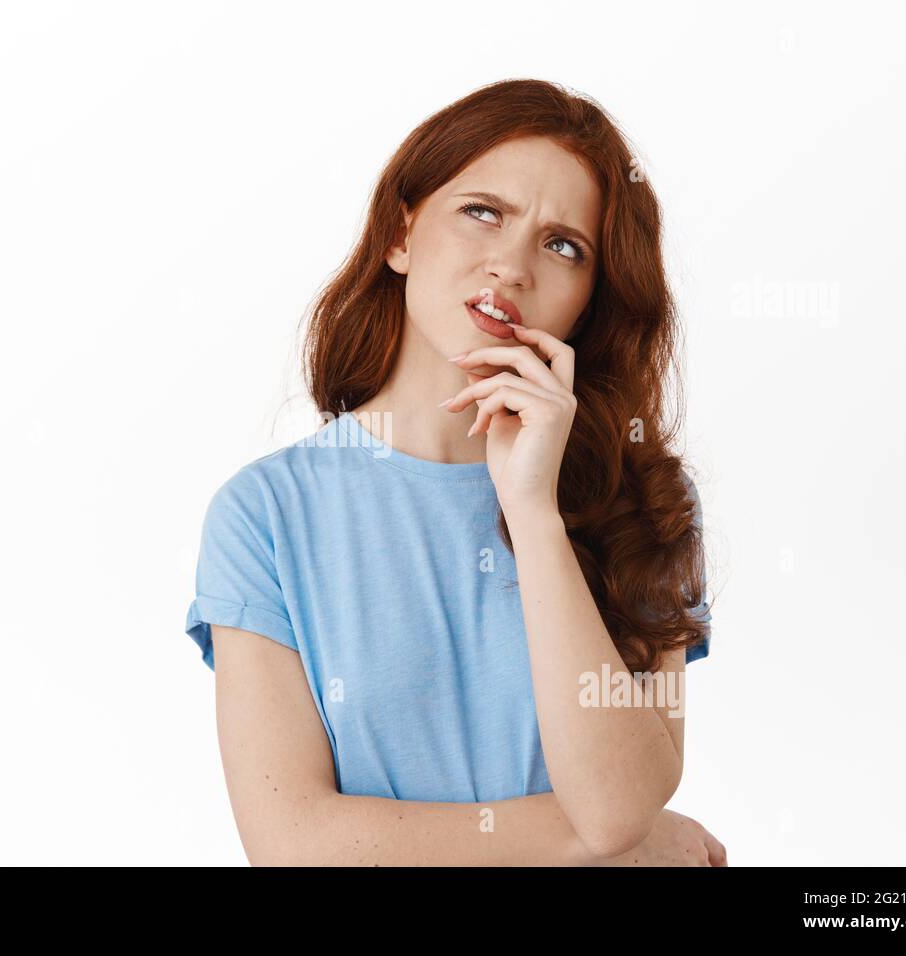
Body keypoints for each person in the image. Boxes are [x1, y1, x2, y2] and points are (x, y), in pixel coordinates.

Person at [183, 78, 727, 867]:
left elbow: (617, 806)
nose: (510, 267)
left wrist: (533, 509)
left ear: (589, 301)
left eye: (562, 245)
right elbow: (296, 844)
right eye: (483, 212)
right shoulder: (265, 515)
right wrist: (592, 842)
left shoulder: (647, 504)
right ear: (400, 236)